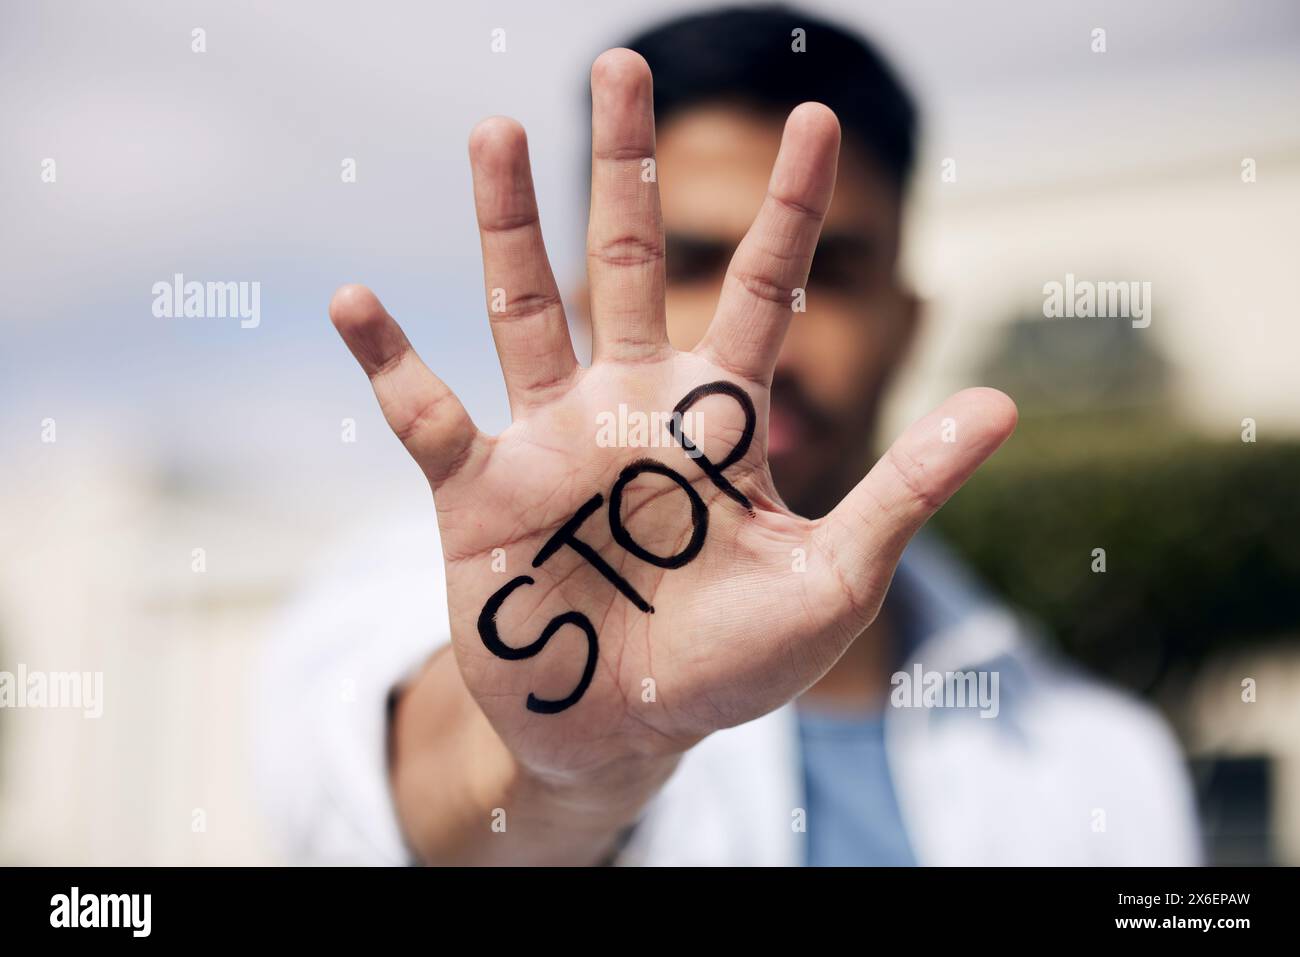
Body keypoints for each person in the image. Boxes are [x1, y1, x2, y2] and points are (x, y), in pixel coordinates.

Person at [255, 6, 1200, 866]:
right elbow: (405, 801)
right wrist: (555, 772)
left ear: (906, 324)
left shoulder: (1104, 759)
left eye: (829, 271)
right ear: (594, 306)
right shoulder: (401, 597)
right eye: (695, 259)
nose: (765, 344)